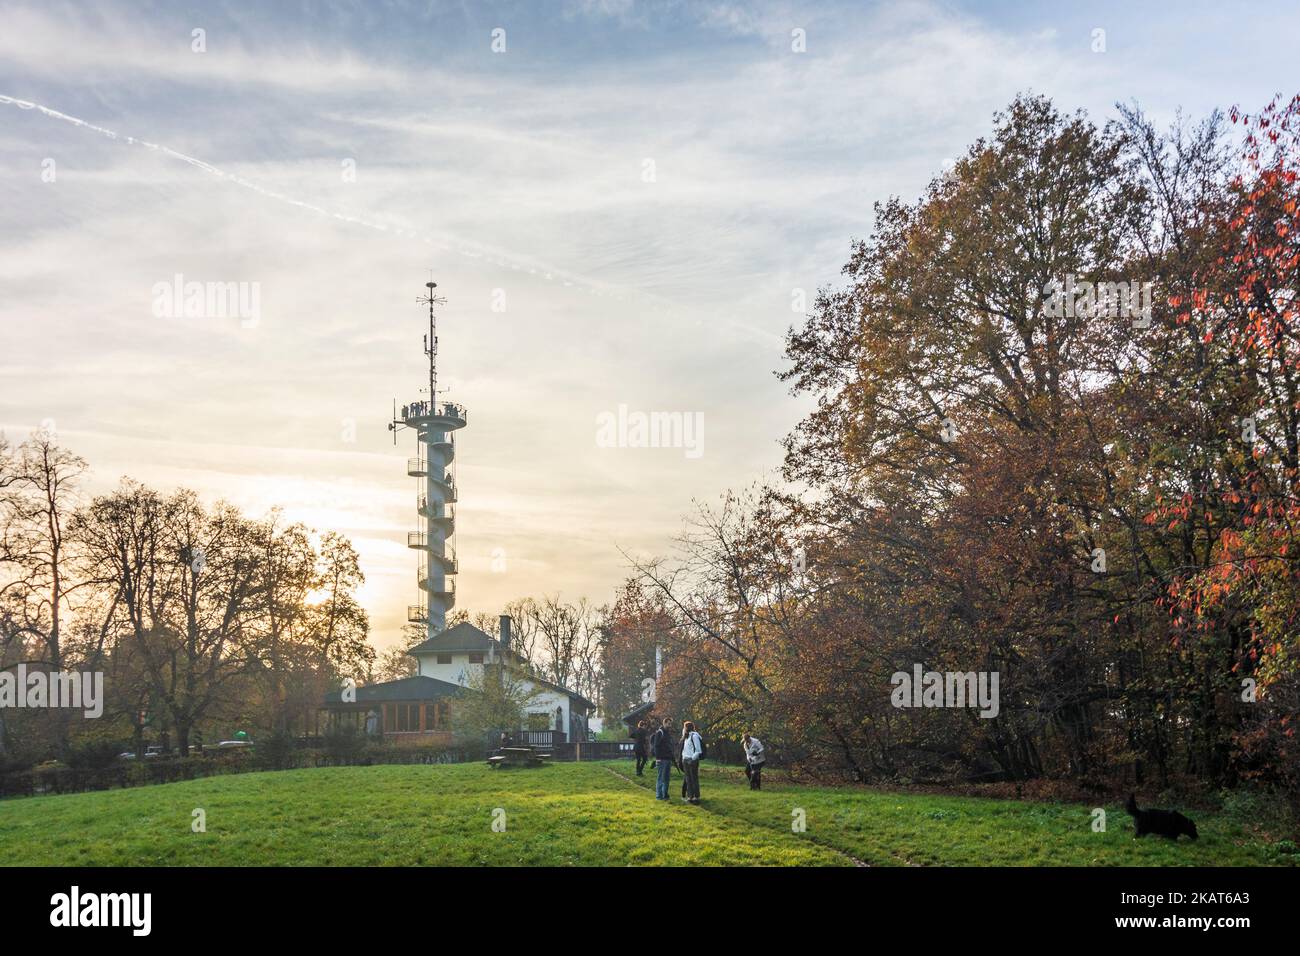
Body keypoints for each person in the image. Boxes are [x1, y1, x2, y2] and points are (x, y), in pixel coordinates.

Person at [651, 718, 676, 800]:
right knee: (661, 778)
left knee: (666, 778)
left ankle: (665, 795)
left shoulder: (667, 733)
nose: (670, 726)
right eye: (668, 724)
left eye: (670, 724)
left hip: (668, 759)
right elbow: (656, 746)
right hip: (661, 759)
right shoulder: (659, 733)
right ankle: (659, 796)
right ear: (664, 723)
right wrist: (657, 758)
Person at [680, 721, 703, 804]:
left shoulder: (694, 736)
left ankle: (696, 797)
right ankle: (690, 796)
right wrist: (683, 758)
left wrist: (692, 759)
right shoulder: (686, 736)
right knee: (688, 779)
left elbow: (698, 750)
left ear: (687, 728)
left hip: (692, 760)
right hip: (685, 760)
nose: (683, 729)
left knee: (694, 779)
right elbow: (685, 749)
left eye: (684, 727)